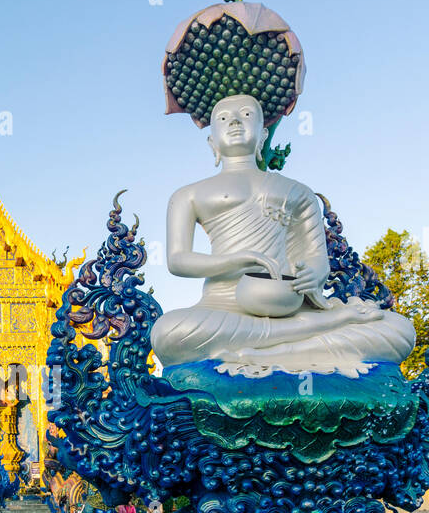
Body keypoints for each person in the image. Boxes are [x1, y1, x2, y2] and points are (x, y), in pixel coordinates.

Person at [150, 94, 415, 377]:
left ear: (263, 135)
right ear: (212, 142)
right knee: (169, 332)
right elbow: (178, 260)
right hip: (222, 307)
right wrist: (238, 260)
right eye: (224, 119)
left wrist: (312, 274)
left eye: (246, 115)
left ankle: (273, 348)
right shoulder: (188, 195)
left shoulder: (297, 192)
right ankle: (320, 331)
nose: (236, 122)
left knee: (399, 331)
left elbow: (316, 258)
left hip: (289, 304)